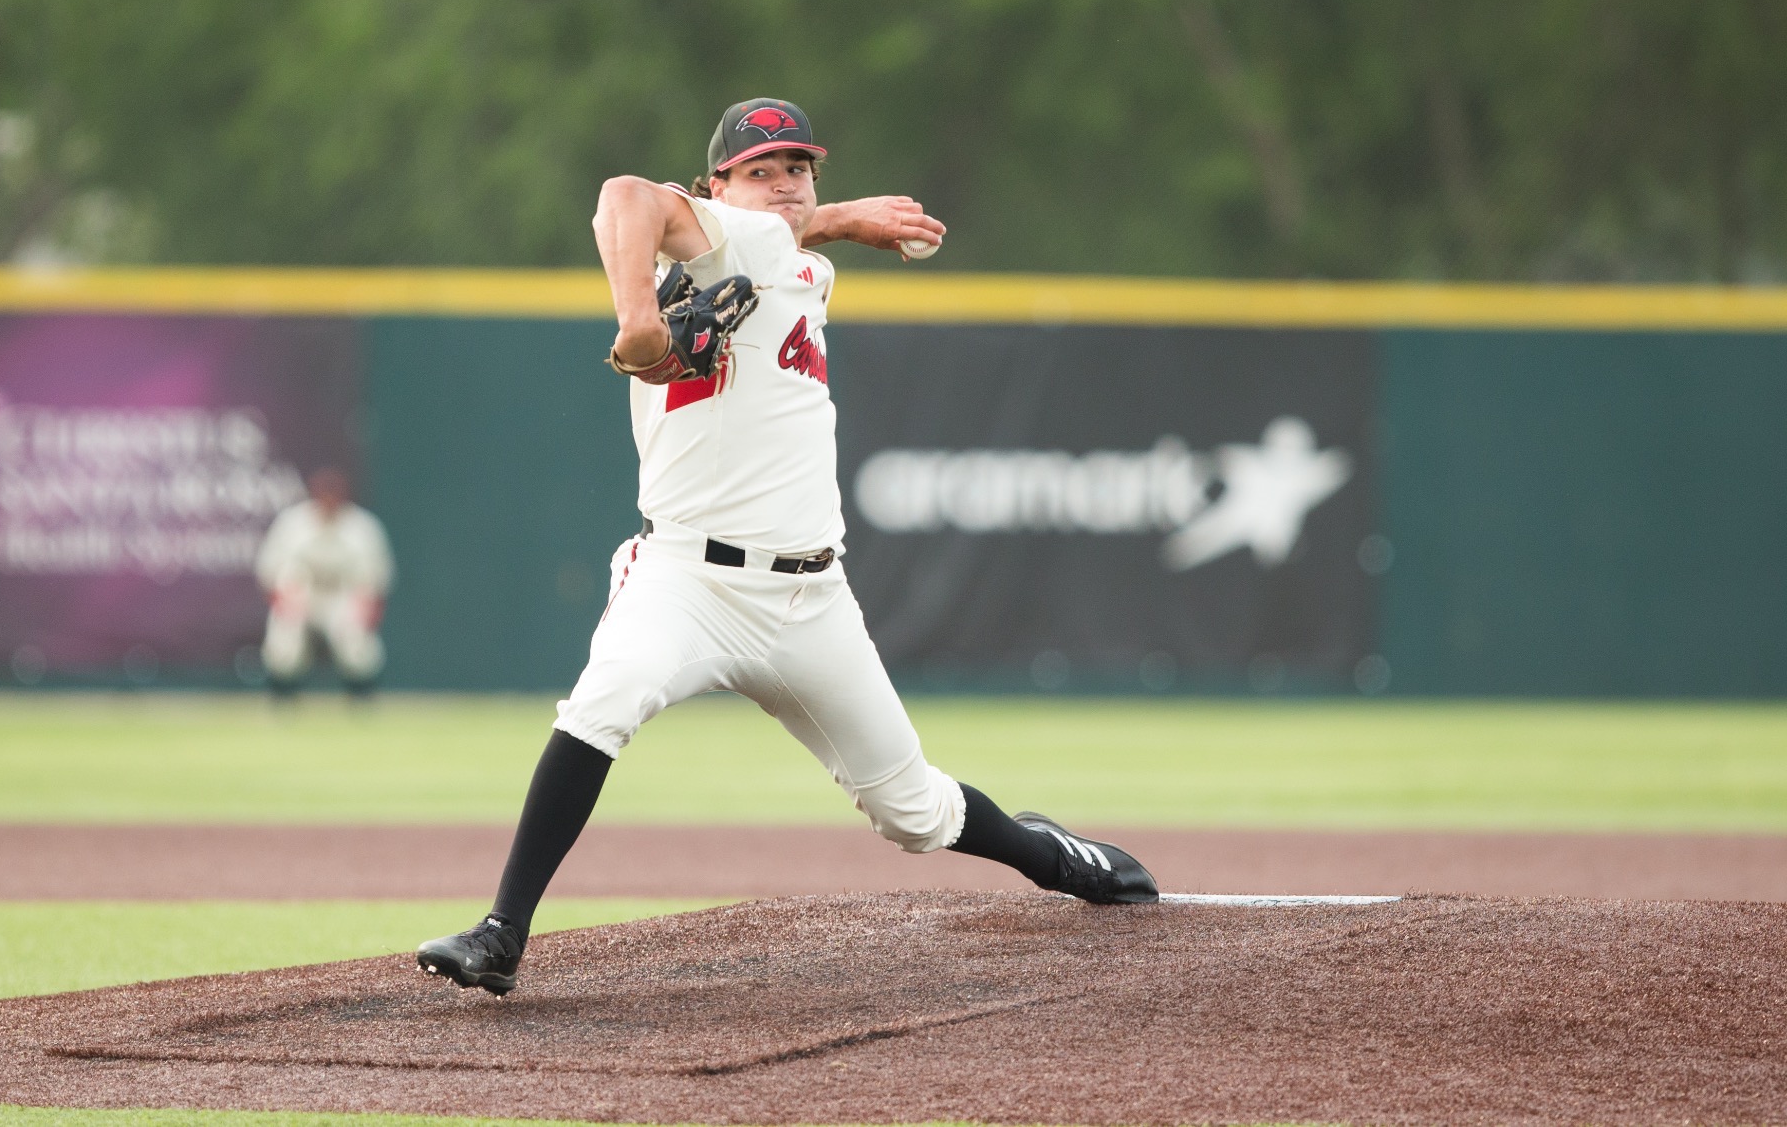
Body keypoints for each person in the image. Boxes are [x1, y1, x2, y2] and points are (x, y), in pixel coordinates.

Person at [417, 98, 1155, 996]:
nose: (782, 184)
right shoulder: (717, 241)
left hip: (810, 599)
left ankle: (1053, 857)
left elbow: (786, 240)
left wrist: (838, 221)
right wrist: (638, 319)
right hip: (686, 579)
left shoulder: (798, 263)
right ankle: (501, 934)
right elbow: (621, 194)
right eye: (758, 170)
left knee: (914, 813)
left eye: (797, 169)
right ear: (712, 188)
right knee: (603, 703)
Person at [253, 466, 394, 700]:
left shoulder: (362, 527)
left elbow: (376, 579)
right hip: (301, 596)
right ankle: (282, 700)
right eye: (323, 495)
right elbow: (269, 569)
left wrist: (367, 611)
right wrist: (284, 603)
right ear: (313, 496)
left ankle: (361, 700)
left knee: (357, 646)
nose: (328, 500)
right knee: (284, 643)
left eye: (334, 495)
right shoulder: (292, 524)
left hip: (342, 596)